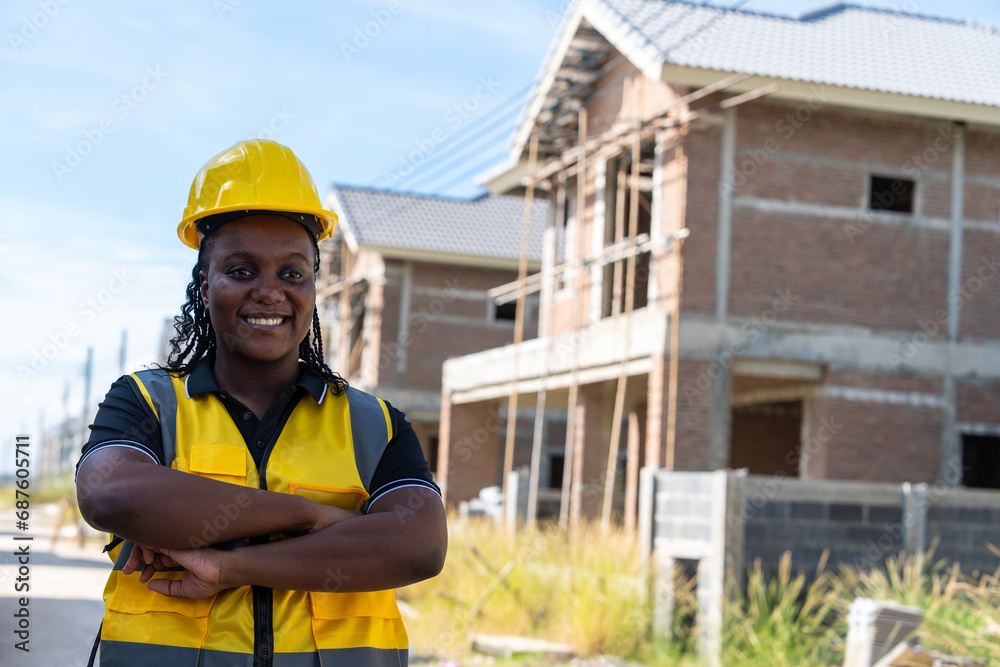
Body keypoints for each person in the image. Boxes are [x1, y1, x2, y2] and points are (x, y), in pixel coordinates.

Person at [75, 139, 448, 667]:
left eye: (292, 273)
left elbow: (420, 544)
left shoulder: (374, 425)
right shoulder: (148, 401)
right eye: (242, 270)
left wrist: (229, 568)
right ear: (205, 285)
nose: (269, 292)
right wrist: (313, 516)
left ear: (315, 286)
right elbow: (111, 496)